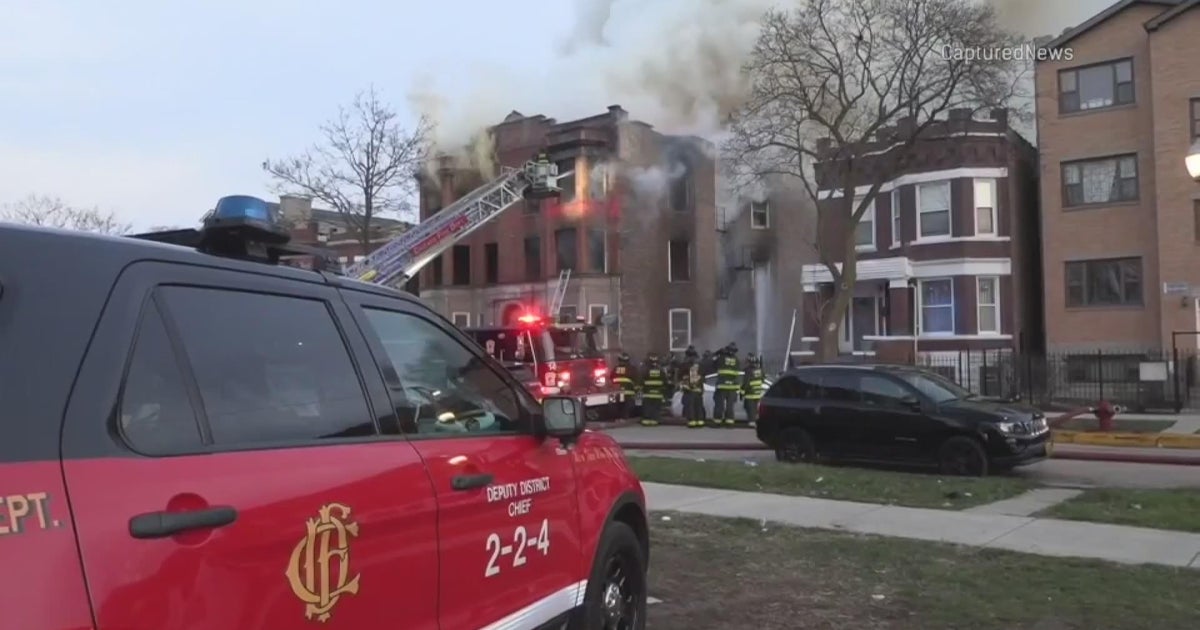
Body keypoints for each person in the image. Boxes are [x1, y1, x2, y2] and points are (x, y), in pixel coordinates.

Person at [714, 342, 741, 426]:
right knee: (730, 406)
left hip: (722, 386)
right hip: (732, 387)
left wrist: (717, 353)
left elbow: (713, 363)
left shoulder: (721, 358)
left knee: (719, 405)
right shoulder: (737, 360)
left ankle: (717, 422)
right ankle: (729, 422)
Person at [678, 351, 704, 427]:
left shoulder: (686, 366)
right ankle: (700, 421)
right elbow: (702, 377)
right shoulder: (699, 366)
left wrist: (684, 386)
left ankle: (692, 421)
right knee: (698, 407)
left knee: (690, 407)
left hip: (690, 391)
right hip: (698, 390)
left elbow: (682, 377)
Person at [639, 353, 666, 427]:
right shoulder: (661, 371)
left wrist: (640, 388)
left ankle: (646, 420)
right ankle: (654, 420)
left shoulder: (645, 370)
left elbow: (641, 380)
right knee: (656, 408)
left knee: (647, 407)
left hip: (647, 394)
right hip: (658, 394)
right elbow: (665, 381)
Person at [741, 352, 766, 428]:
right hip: (757, 393)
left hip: (750, 393)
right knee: (755, 409)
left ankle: (752, 423)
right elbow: (763, 379)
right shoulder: (760, 370)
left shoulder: (748, 370)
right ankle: (755, 421)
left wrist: (742, 393)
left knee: (750, 409)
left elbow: (746, 383)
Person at [610, 352, 638, 420]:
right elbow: (637, 380)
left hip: (616, 393)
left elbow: (611, 378)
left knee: (616, 405)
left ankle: (617, 418)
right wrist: (636, 391)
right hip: (628, 392)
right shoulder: (632, 369)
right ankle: (624, 418)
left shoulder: (615, 369)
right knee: (627, 406)